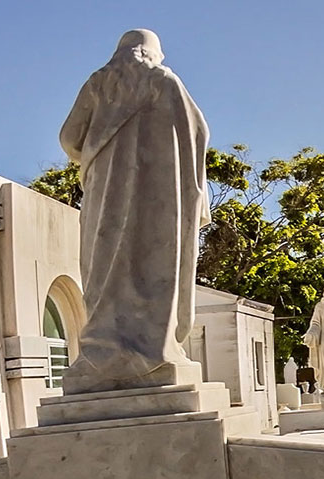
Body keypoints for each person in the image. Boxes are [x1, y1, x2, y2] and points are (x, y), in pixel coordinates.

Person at [56, 29, 210, 393]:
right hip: (159, 201)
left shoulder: (98, 83)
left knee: (103, 267)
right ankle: (153, 349)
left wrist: (96, 157)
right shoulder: (164, 81)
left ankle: (102, 351)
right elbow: (198, 134)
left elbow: (68, 138)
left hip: (103, 198)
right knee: (153, 266)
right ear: (153, 53)